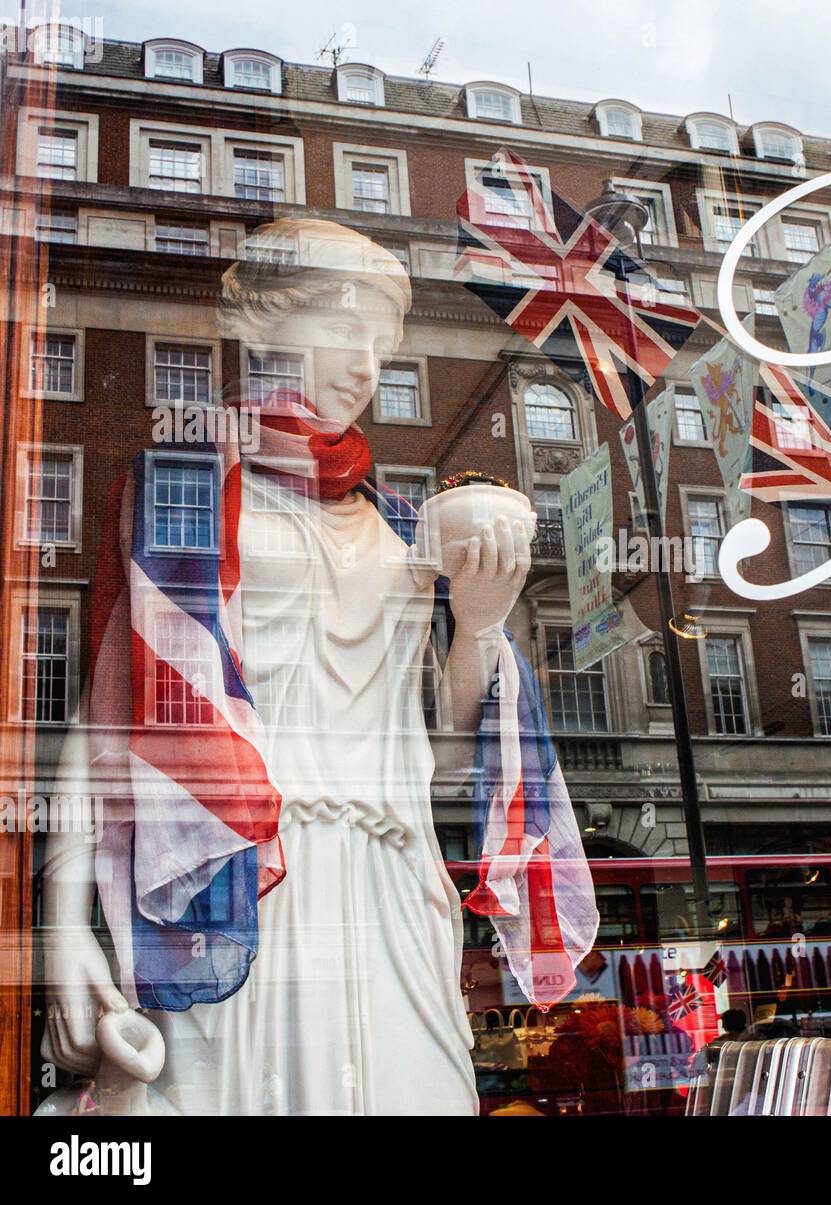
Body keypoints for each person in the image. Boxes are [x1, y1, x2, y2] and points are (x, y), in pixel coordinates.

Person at [39, 218, 595, 1115]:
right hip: (239, 882)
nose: (366, 365)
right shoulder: (183, 486)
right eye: (342, 327)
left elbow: (449, 761)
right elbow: (106, 728)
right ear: (263, 322)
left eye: (381, 346)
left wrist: (480, 630)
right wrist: (60, 925)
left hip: (388, 877)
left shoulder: (404, 527)